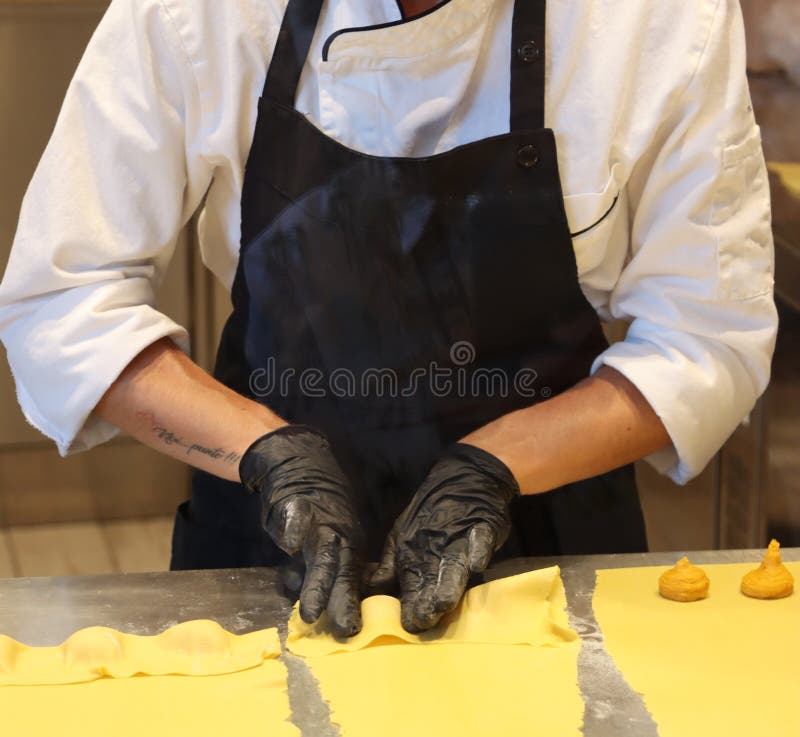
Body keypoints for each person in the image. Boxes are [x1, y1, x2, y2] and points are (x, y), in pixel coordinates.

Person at [0, 0, 777, 637]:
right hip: (269, 551)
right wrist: (271, 455)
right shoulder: (201, 13)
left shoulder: (656, 22)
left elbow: (707, 335)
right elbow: (64, 301)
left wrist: (490, 465)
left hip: (543, 560)